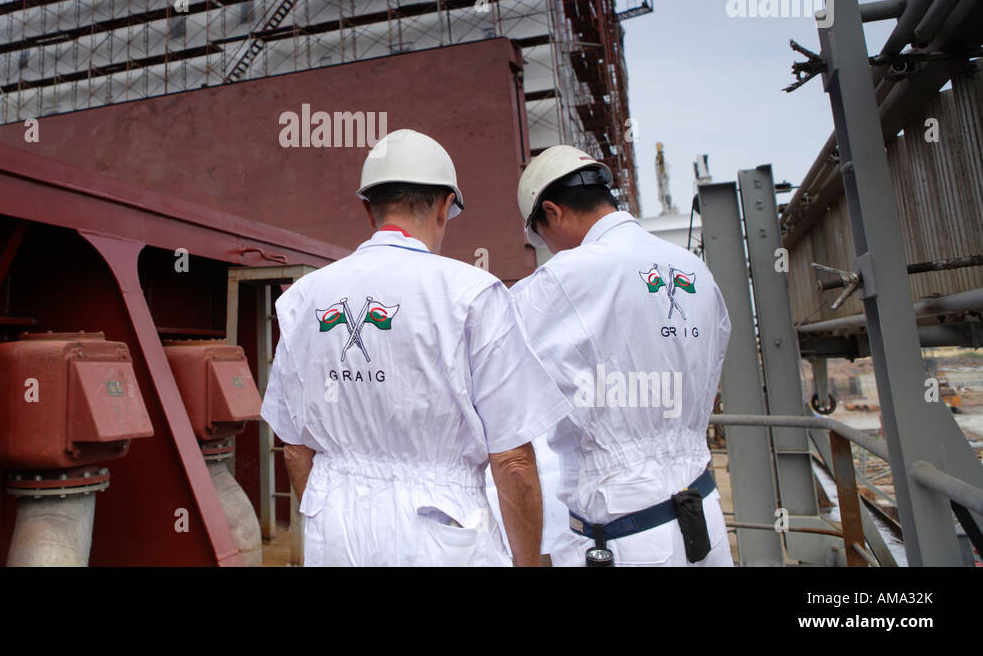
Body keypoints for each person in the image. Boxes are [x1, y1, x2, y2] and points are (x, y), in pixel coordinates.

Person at [261, 129, 570, 566]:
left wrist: (337, 501)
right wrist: (529, 562)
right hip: (439, 534)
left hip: (335, 533)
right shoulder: (473, 294)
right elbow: (514, 462)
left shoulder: (303, 298)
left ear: (369, 211)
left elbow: (294, 446)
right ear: (445, 206)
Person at [512, 145, 733, 566]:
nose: (550, 249)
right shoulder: (695, 271)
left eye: (541, 237)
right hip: (702, 518)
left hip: (625, 537)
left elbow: (495, 372)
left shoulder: (561, 280)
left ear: (553, 213)